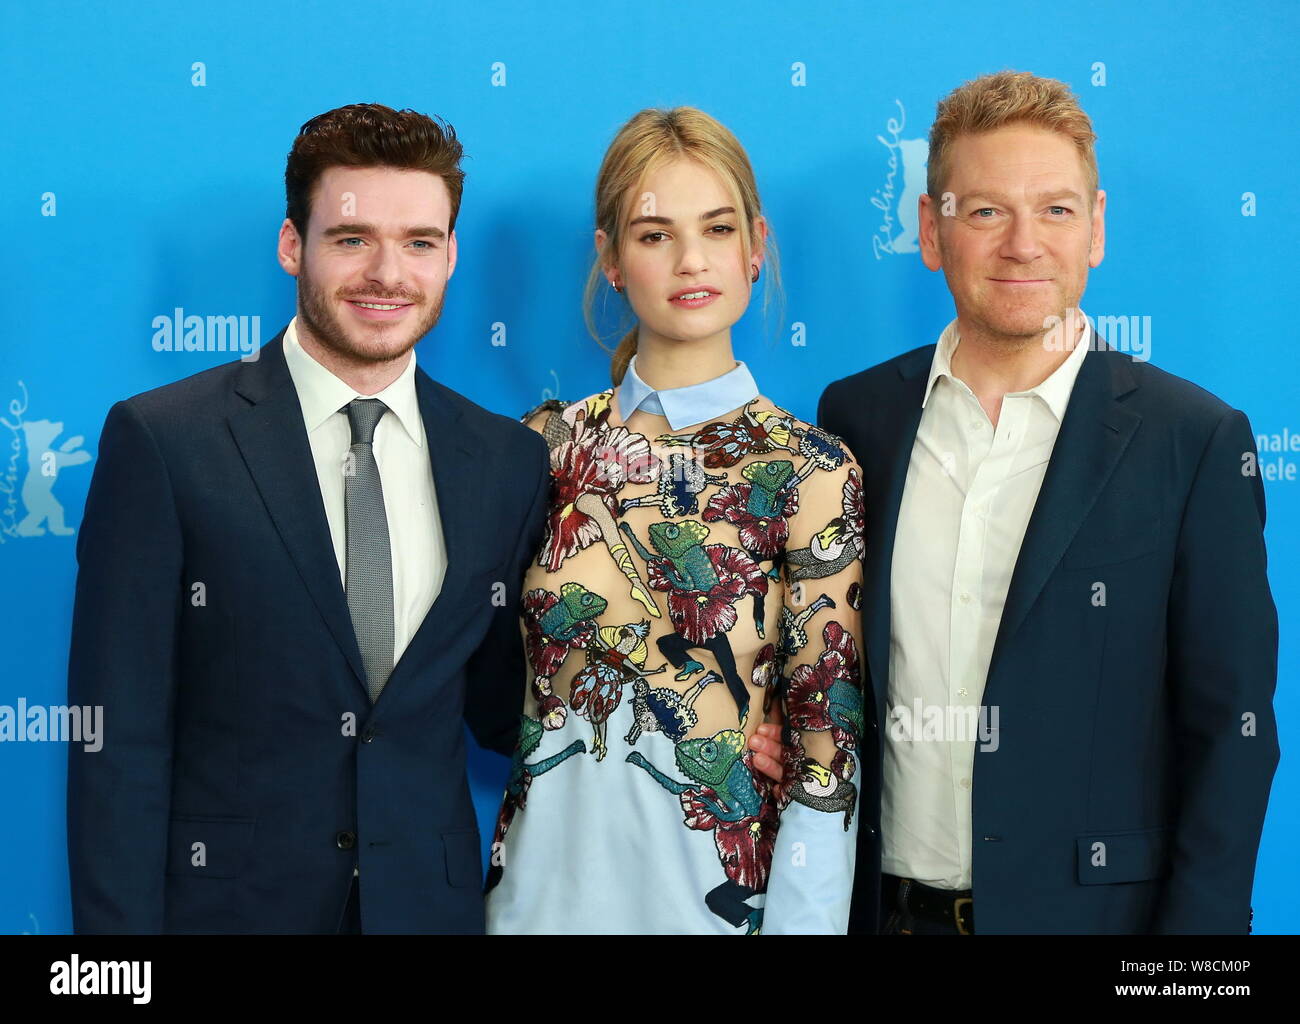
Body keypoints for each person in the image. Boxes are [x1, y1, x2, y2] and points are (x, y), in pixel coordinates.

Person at [66, 103, 549, 934]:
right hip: (226, 910)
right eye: (353, 239)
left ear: (451, 255)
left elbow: (507, 709)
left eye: (420, 242)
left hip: (426, 912)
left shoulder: (505, 459)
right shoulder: (166, 441)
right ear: (294, 244)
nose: (387, 274)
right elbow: (117, 743)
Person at [819, 71, 1279, 935]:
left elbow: (1232, 735)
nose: (1023, 244)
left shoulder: (1195, 440)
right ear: (931, 230)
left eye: (1057, 210)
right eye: (986, 210)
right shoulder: (858, 417)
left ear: (1097, 228)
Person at [484, 107, 866, 935]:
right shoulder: (540, 448)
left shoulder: (808, 470)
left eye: (717, 229)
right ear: (611, 258)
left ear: (755, 245)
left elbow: (828, 753)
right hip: (537, 899)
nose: (692, 261)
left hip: (722, 908)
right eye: (655, 235)